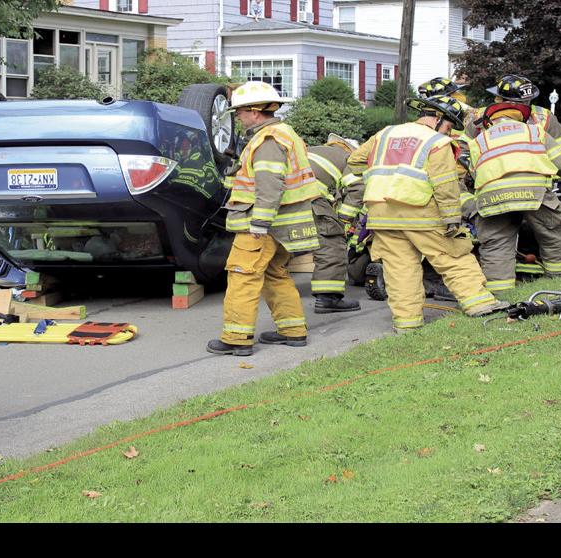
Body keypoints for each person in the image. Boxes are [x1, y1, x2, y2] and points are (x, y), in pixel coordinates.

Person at [340, 95, 506, 332]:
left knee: (399, 269)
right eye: (449, 126)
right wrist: (451, 219)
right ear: (438, 118)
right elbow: (446, 185)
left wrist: (386, 171)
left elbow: (354, 160)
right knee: (453, 256)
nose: (449, 133)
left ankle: (408, 323)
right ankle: (480, 304)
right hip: (421, 212)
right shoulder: (437, 142)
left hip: (382, 215)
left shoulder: (385, 133)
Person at [207, 81, 324, 356]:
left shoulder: (267, 140)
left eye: (240, 112)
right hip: (284, 225)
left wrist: (259, 223)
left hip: (262, 226)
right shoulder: (284, 134)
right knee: (274, 273)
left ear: (255, 111)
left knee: (242, 275)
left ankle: (237, 338)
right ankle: (292, 331)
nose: (237, 117)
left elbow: (269, 186)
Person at [466, 102, 561, 293]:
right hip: (535, 194)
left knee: (496, 243)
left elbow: (474, 173)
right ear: (520, 117)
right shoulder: (535, 132)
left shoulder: (478, 141)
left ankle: (500, 292)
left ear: (489, 121)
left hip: (493, 198)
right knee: (553, 233)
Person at [305, 133, 362, 313]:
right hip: (308, 196)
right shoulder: (350, 159)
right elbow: (358, 189)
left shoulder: (314, 151)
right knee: (332, 244)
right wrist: (343, 221)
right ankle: (328, 298)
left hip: (277, 200)